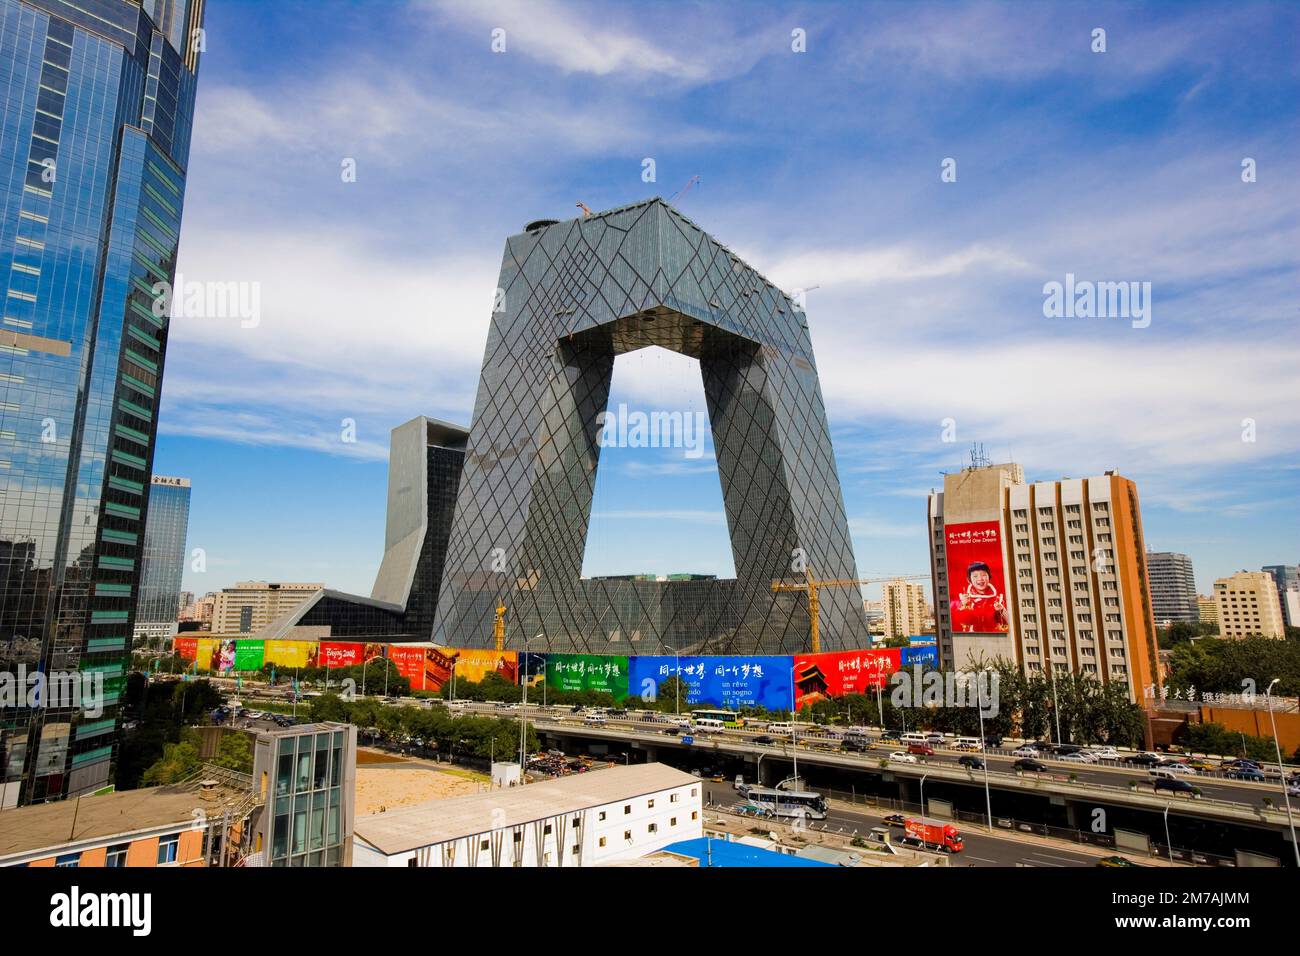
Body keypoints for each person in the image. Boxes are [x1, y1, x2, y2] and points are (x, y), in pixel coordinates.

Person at [950, 561, 1008, 633]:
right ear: (969, 580)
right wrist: (962, 605)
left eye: (983, 575)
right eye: (975, 576)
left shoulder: (998, 599)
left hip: (993, 638)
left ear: (989, 577)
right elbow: (955, 623)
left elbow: (1008, 623)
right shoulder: (963, 599)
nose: (980, 578)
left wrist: (1001, 610)